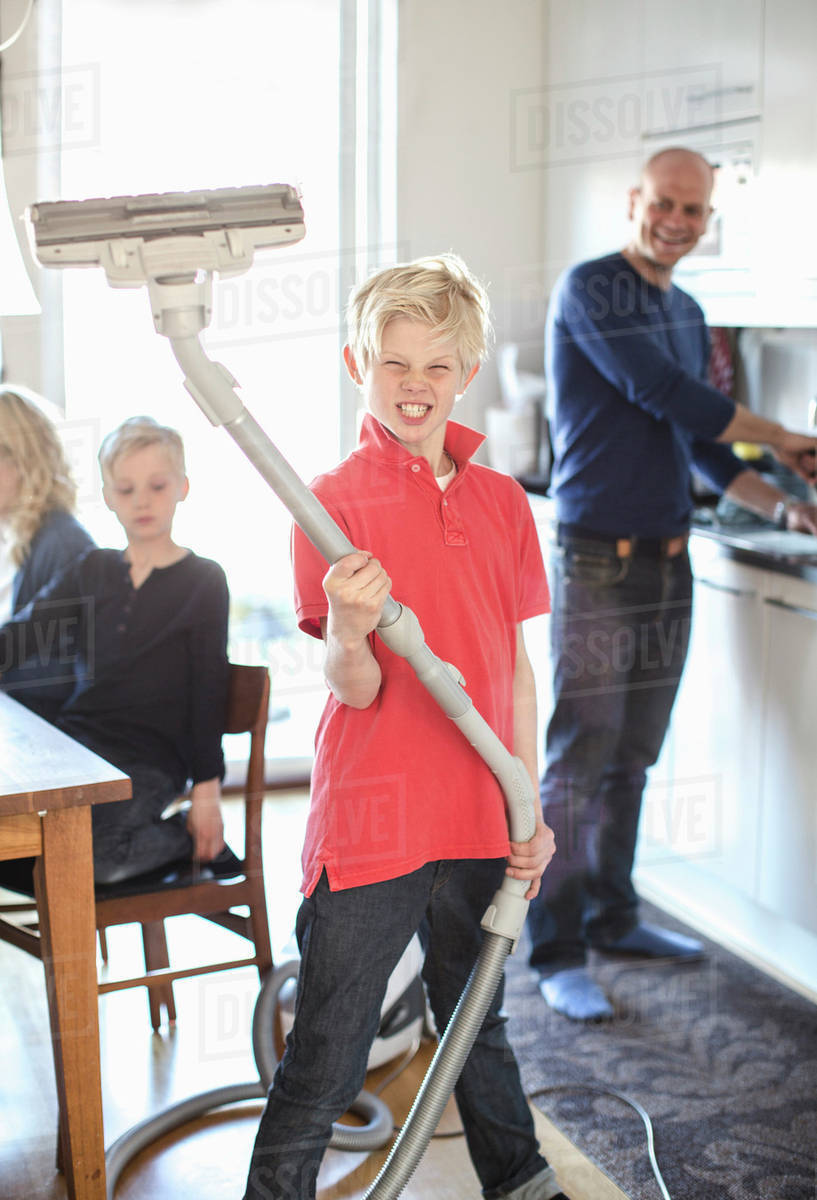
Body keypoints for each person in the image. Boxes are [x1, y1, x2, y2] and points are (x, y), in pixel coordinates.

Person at [242, 254, 566, 1200]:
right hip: (374, 821)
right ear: (357, 364)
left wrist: (528, 806)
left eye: (436, 365)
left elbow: (513, 670)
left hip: (479, 811)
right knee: (326, 1058)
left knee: (476, 1025)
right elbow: (352, 689)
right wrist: (348, 626)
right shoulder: (327, 503)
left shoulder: (504, 502)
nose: (415, 385)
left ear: (466, 371)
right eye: (394, 363)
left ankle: (523, 1181)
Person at [526, 147, 817, 1022]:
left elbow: (702, 451)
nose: (677, 223)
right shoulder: (592, 289)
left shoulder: (688, 310)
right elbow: (662, 396)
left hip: (666, 557)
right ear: (634, 201)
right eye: (664, 204)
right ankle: (555, 949)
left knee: (632, 756)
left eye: (693, 211)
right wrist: (786, 438)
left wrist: (790, 507)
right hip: (595, 558)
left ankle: (615, 918)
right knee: (579, 760)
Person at [0, 415, 235, 887]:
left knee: (92, 857)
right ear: (108, 497)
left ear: (183, 487)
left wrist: (206, 794)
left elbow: (209, 690)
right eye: (125, 489)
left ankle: (182, 841)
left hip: (151, 759)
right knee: (26, 843)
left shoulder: (204, 580)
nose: (142, 501)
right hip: (75, 747)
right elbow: (20, 637)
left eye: (156, 486)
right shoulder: (92, 569)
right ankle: (62, 879)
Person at [0, 385, 95, 719]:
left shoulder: (64, 545)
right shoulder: (28, 539)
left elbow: (64, 677)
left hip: (54, 741)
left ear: (25, 461)